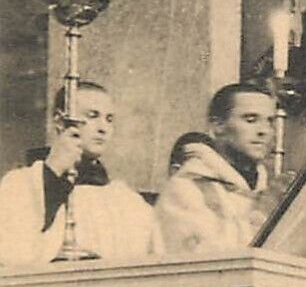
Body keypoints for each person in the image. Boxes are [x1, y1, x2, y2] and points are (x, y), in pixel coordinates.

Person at [0, 81, 158, 264]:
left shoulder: (126, 200)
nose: (103, 128)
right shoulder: (21, 184)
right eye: (92, 116)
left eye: (109, 119)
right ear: (60, 121)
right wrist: (53, 172)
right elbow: (13, 251)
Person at [156, 83, 277, 254]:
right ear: (217, 126)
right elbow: (207, 267)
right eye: (251, 120)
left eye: (270, 122)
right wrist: (263, 216)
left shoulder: (265, 191)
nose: (264, 130)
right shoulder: (185, 190)